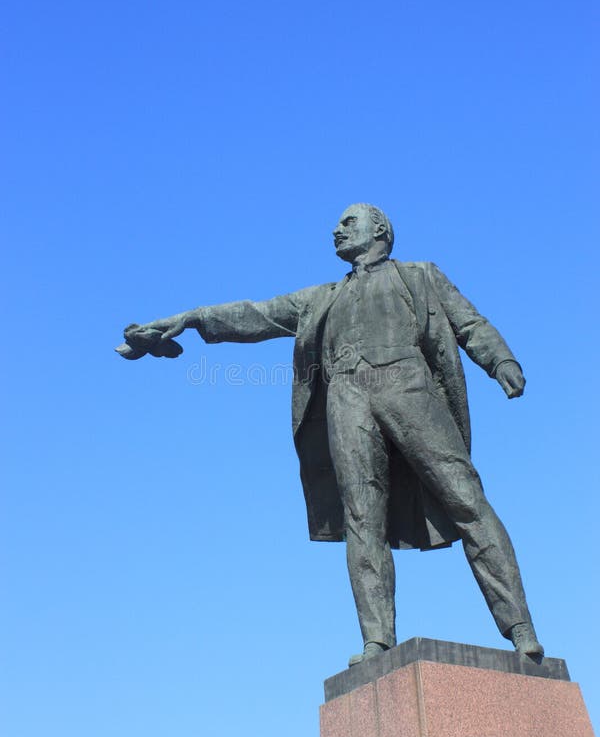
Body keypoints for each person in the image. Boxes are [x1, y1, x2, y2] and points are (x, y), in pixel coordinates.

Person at [117, 203, 543, 665]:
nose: (336, 230)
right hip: (347, 399)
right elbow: (255, 314)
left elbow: (469, 323)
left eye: (348, 222)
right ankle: (377, 640)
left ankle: (520, 628)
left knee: (467, 501)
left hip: (409, 387)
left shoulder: (420, 276)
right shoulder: (319, 299)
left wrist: (501, 361)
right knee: (362, 521)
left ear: (379, 228)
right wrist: (192, 318)